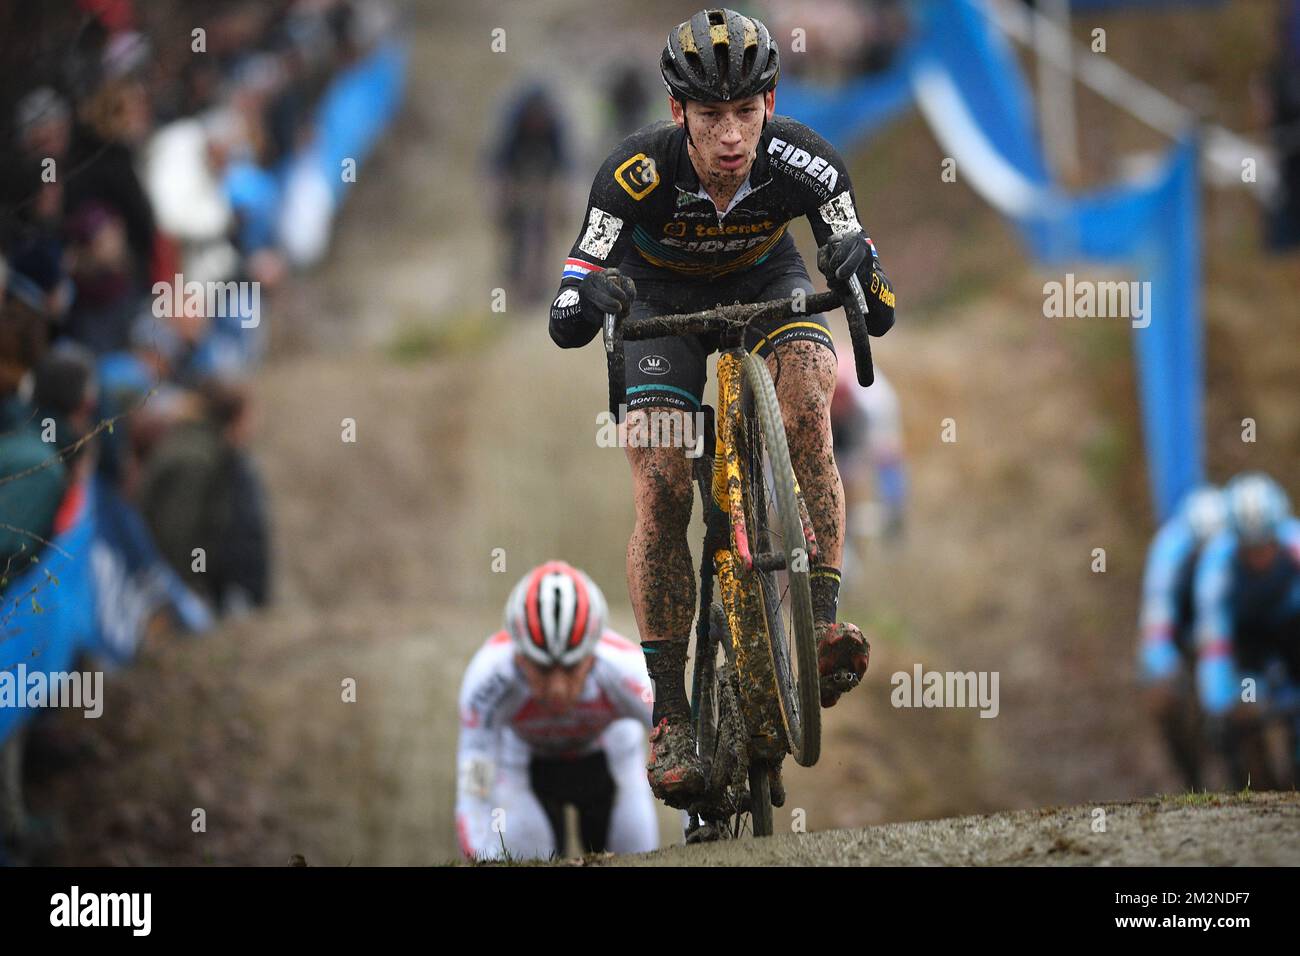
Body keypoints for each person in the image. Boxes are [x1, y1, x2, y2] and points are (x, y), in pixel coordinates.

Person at [547, 8, 895, 807]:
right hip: (658, 304)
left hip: (766, 280)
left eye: (746, 113)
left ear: (769, 103)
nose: (732, 137)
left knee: (809, 388)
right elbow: (566, 314)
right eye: (711, 116)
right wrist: (590, 293)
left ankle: (818, 621)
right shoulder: (632, 173)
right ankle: (671, 712)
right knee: (664, 484)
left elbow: (877, 308)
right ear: (680, 114)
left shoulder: (809, 162)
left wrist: (858, 264)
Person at [454, 562, 658, 860]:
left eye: (572, 667)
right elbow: (475, 783)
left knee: (637, 858)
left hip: (612, 758)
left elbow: (683, 753)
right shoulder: (488, 677)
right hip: (523, 764)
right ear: (519, 655)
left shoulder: (628, 671)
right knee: (523, 857)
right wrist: (480, 857)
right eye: (543, 669)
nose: (558, 688)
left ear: (592, 654)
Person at [1194, 473, 1300, 789]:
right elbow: (1215, 643)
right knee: (1242, 717)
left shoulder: (1295, 546)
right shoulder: (1217, 566)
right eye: (1248, 548)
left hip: (1293, 638)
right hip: (1250, 653)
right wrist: (1218, 705)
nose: (1259, 557)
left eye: (1265, 545)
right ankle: (1254, 787)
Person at [1136, 485, 1227, 791]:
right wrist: (1166, 667)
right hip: (1181, 639)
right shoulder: (1169, 551)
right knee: (1164, 700)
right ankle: (1190, 776)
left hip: (1226, 635)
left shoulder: (1236, 552)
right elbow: (1157, 619)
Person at [830, 360, 906, 558]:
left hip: (870, 414)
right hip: (835, 392)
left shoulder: (874, 404)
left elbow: (864, 459)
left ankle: (894, 515)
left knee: (886, 456)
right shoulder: (828, 392)